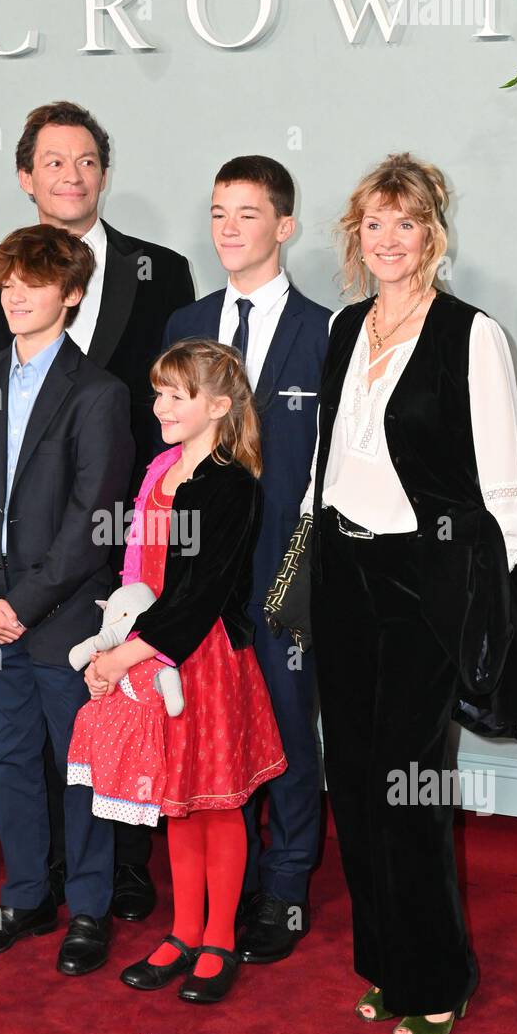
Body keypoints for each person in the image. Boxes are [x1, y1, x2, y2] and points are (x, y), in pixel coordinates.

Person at [299, 152, 517, 1034]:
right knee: (355, 779)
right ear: (355, 235)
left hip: (421, 584)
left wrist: (463, 594)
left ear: (432, 234)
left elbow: (511, 496)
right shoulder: (341, 329)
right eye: (374, 223)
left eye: (406, 223)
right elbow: (331, 459)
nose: (389, 239)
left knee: (409, 786)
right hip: (343, 574)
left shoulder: (472, 336)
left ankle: (437, 977)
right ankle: (386, 966)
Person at [0, 100, 196, 923]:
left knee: (124, 700)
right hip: (33, 544)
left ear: (105, 172)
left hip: (136, 529)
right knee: (34, 727)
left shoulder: (160, 270)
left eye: (88, 161)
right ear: (26, 175)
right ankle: (44, 878)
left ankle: (122, 873)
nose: (72, 175)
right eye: (55, 162)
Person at [0, 224, 135, 977]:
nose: (16, 294)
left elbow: (96, 519)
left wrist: (21, 602)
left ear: (73, 295)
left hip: (65, 621)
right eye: (8, 281)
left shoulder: (100, 393)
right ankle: (24, 896)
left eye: (34, 282)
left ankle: (89, 908)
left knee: (80, 767)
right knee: (8, 760)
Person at [74, 340, 287, 1004]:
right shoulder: (161, 467)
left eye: (177, 395)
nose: (160, 405)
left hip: (203, 658)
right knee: (176, 805)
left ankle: (219, 936)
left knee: (216, 806)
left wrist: (124, 654)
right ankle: (183, 929)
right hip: (145, 648)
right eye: (159, 391)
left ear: (219, 407)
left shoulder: (229, 484)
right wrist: (113, 637)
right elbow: (138, 568)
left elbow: (199, 596)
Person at [163, 156, 329, 964]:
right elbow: (166, 457)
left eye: (248, 214)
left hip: (280, 568)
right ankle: (229, 887)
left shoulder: (327, 330)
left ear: (285, 227)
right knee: (217, 730)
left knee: (289, 724)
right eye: (219, 212)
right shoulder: (185, 321)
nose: (229, 228)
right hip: (200, 574)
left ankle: (287, 884)